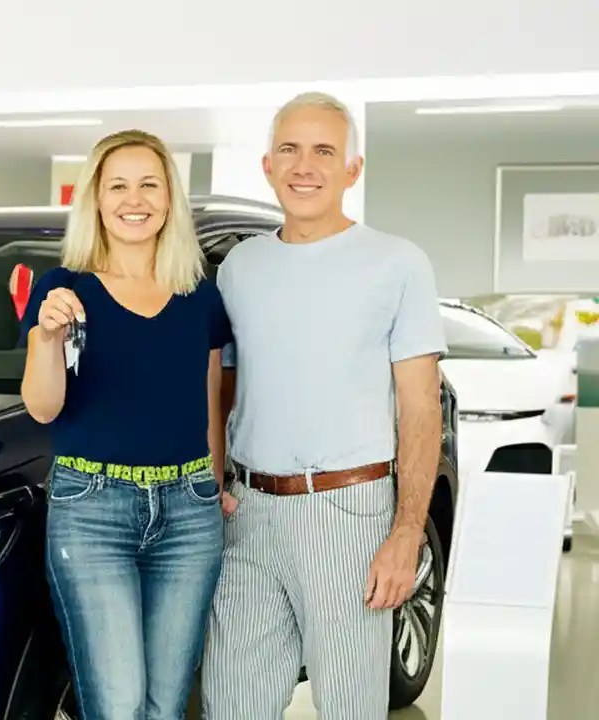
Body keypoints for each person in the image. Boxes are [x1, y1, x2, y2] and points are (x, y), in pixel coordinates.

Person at [199, 92, 447, 719]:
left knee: (347, 709)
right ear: (266, 164)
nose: (304, 165)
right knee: (232, 705)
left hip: (348, 513)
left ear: (351, 171)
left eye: (323, 151)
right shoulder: (239, 268)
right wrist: (214, 479)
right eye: (289, 149)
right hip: (247, 513)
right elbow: (222, 389)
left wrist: (406, 533)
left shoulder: (398, 263)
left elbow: (420, 409)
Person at [19, 129, 235, 720]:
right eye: (117, 185)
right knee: (117, 705)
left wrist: (214, 484)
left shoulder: (199, 295)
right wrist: (48, 336)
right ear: (95, 199)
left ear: (169, 200)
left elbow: (209, 396)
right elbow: (42, 407)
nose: (132, 199)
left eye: (148, 184)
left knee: (165, 708)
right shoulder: (63, 291)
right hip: (92, 512)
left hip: (190, 513)